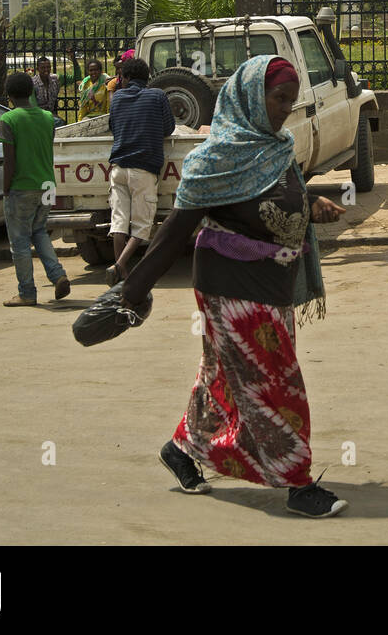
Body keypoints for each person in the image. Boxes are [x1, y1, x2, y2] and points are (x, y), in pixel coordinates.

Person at [118, 55, 350, 516]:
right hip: (233, 290)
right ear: (249, 97)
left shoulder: (276, 146)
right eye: (277, 98)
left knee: (222, 376)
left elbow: (281, 197)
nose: (285, 108)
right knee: (276, 385)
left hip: (272, 284)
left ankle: (181, 448)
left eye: (289, 99)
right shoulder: (214, 159)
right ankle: (296, 482)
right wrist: (129, 292)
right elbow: (172, 236)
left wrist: (310, 205)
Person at [0, 72, 71, 306]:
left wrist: (6, 188)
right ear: (32, 91)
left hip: (22, 186)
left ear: (9, 95)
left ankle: (27, 292)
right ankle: (57, 274)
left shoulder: (8, 120)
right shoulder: (47, 117)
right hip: (47, 183)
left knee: (19, 241)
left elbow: (9, 161)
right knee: (39, 231)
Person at [106, 56, 174, 284]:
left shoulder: (116, 99)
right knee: (142, 225)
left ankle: (120, 271)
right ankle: (119, 266)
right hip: (143, 170)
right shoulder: (157, 96)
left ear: (124, 78)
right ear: (147, 78)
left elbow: (113, 127)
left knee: (119, 221)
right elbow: (169, 128)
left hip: (118, 168)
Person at [31, 47, 80, 125]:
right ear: (37, 69)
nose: (46, 70)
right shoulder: (32, 83)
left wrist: (73, 59)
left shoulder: (56, 79)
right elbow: (33, 107)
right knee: (60, 122)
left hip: (51, 116)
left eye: (48, 67)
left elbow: (76, 77)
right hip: (36, 117)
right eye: (43, 68)